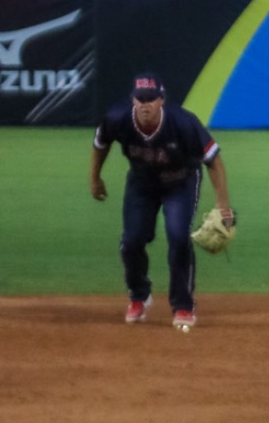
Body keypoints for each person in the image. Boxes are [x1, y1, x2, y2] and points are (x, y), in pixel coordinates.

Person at [89, 72, 233, 329]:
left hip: (181, 184)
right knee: (131, 241)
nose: (146, 104)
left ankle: (183, 305)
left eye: (151, 99)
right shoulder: (117, 118)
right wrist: (95, 178)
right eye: (141, 99)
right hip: (141, 184)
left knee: (178, 237)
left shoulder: (183, 123)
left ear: (161, 100)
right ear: (133, 100)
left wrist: (223, 206)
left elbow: (213, 159)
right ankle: (139, 296)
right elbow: (100, 143)